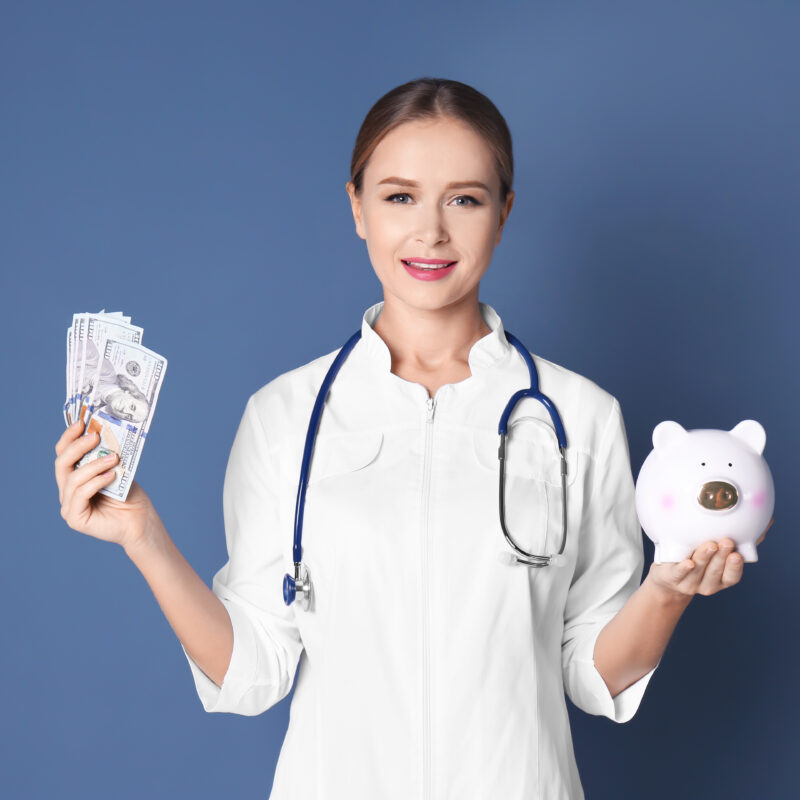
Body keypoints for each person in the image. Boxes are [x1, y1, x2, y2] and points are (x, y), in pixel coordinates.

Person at [54, 77, 770, 799]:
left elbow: (592, 675)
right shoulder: (285, 414)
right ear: (357, 207)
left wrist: (668, 590)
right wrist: (144, 536)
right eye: (400, 197)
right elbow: (251, 671)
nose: (431, 232)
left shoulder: (580, 414)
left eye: (465, 198)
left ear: (504, 212)